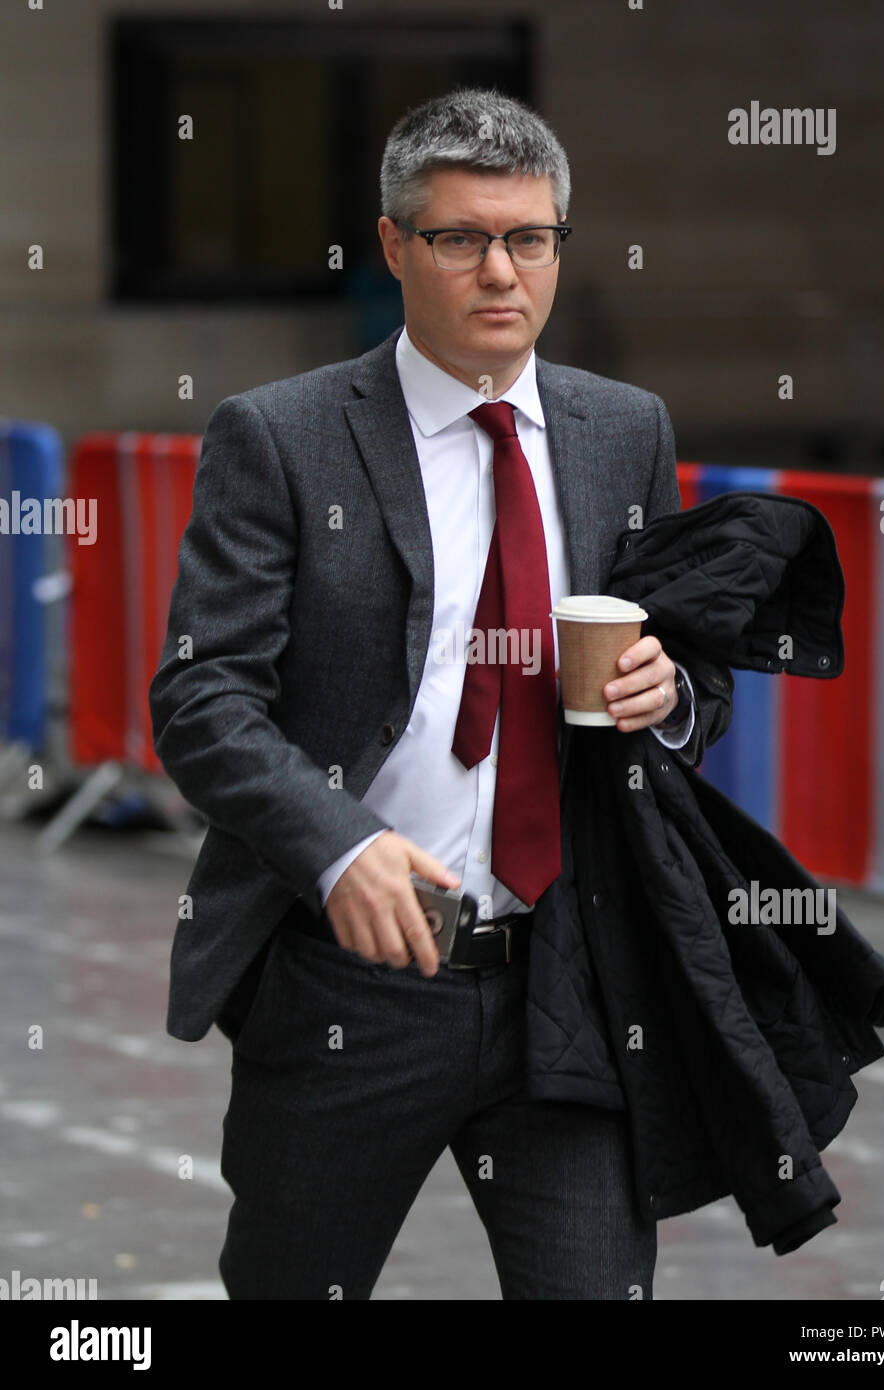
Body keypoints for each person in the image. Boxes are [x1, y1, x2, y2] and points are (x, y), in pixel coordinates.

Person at [149, 85, 707, 1300]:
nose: (500, 270)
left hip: (570, 973)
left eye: (530, 237)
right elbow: (201, 702)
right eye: (460, 238)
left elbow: (686, 670)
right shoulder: (283, 438)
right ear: (397, 246)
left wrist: (668, 698)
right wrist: (338, 848)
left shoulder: (626, 431)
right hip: (354, 984)